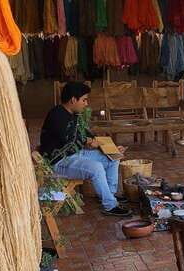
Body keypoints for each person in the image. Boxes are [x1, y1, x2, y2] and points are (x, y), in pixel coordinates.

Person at [40, 82, 131, 217]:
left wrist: (109, 148)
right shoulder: (56, 115)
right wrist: (86, 141)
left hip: (74, 155)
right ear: (73, 100)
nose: (86, 103)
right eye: (84, 100)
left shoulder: (73, 114)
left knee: (113, 157)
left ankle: (109, 195)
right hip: (59, 162)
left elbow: (86, 134)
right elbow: (67, 138)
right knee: (96, 168)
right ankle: (110, 206)